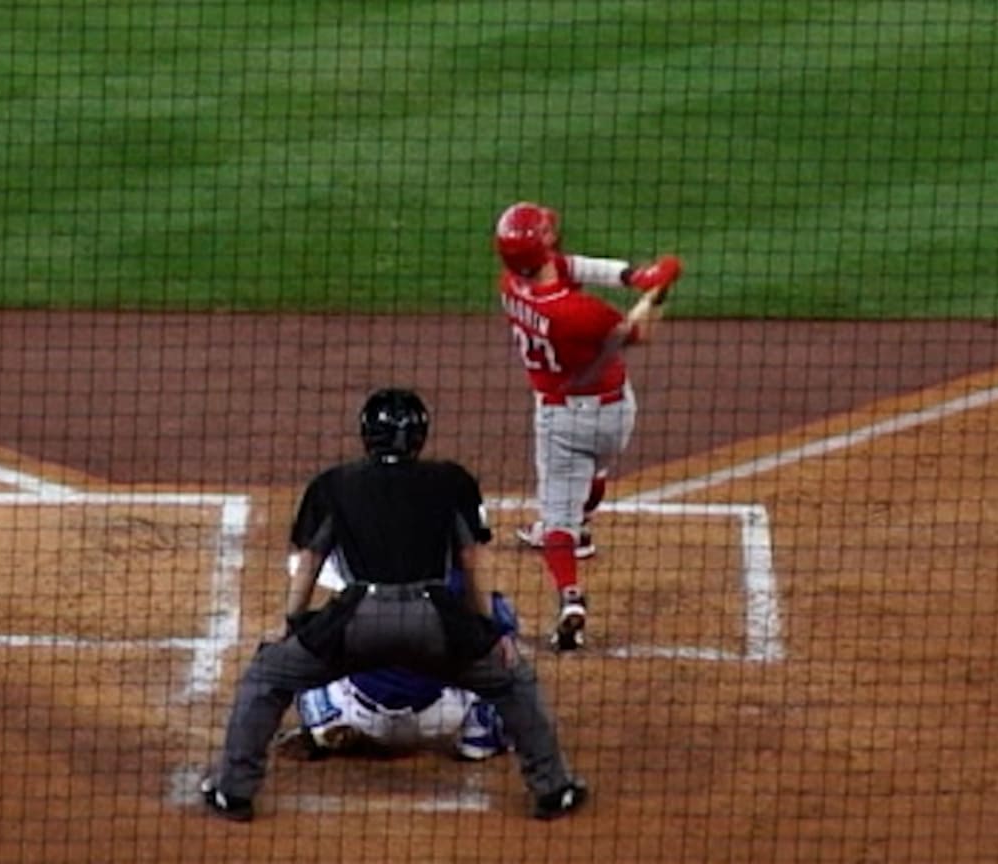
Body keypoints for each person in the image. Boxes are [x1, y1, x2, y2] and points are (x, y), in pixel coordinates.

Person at [200, 388, 587, 822]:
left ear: (366, 434)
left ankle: (233, 792)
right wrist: (486, 631)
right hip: (434, 620)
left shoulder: (333, 484)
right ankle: (554, 790)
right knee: (513, 683)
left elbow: (309, 560)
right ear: (421, 436)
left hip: (357, 619)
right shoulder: (452, 480)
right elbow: (472, 559)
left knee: (266, 676)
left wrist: (293, 626)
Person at [493, 201, 682, 652]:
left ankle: (571, 598)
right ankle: (584, 515)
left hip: (561, 418)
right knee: (595, 469)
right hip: (616, 416)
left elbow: (567, 265)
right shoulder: (582, 312)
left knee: (558, 519)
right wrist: (659, 289)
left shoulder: (511, 287)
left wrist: (637, 276)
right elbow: (641, 335)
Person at [280, 571, 520, 762]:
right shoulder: (456, 579)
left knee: (309, 660)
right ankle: (478, 735)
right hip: (439, 716)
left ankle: (324, 721)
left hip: (362, 711)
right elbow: (497, 631)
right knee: (493, 648)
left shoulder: (360, 574)